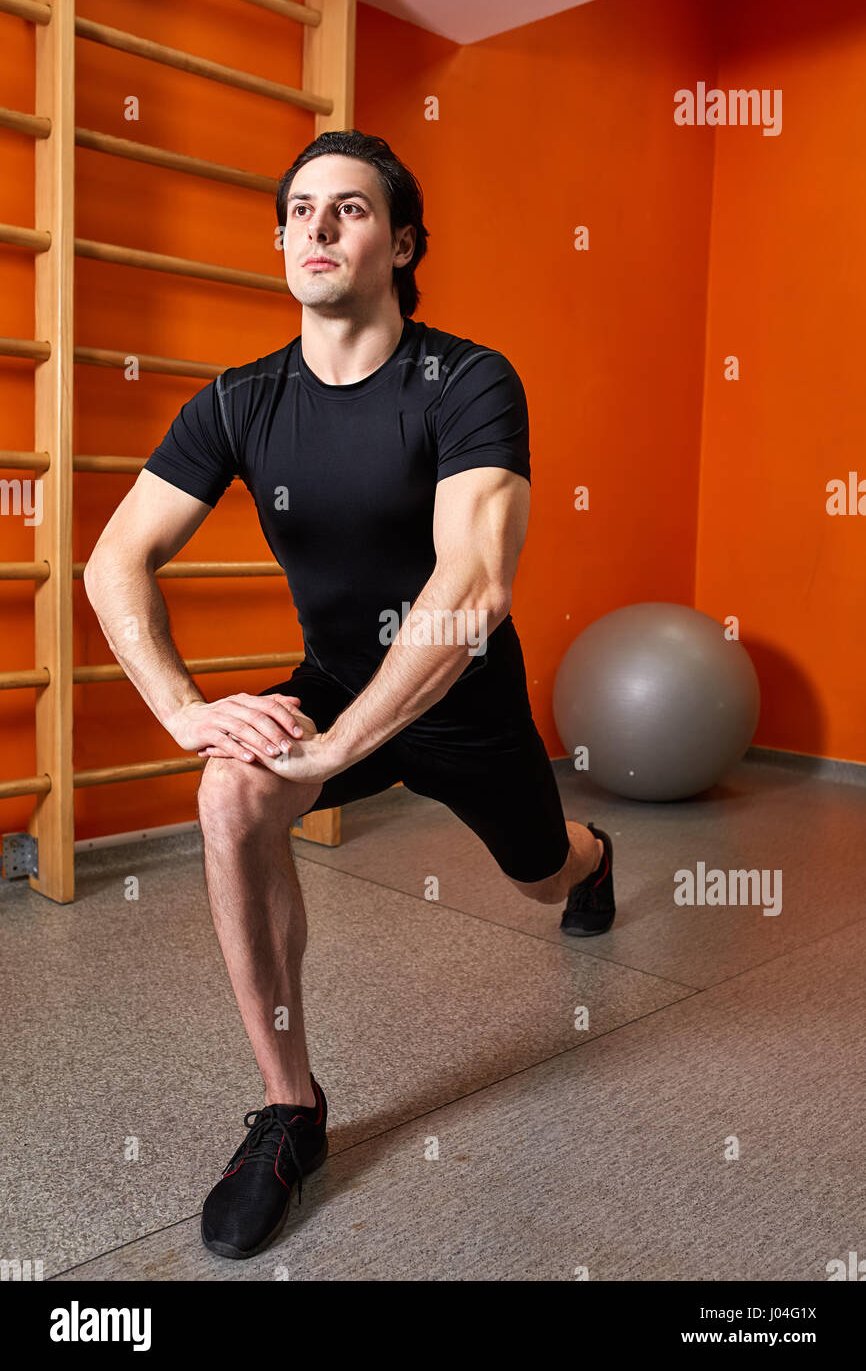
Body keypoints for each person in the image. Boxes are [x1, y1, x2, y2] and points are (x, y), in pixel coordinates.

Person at [83, 130, 616, 1261]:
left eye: (351, 209)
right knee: (228, 793)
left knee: (539, 877)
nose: (317, 227)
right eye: (298, 210)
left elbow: (470, 584)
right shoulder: (238, 400)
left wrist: (339, 753)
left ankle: (591, 856)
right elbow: (112, 561)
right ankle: (290, 1110)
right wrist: (183, 711)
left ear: (403, 242)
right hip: (334, 680)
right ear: (279, 238)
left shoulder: (468, 380)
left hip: (462, 697)